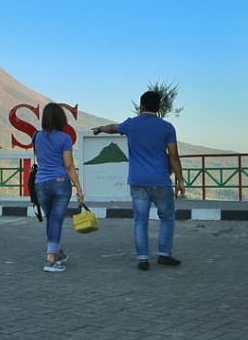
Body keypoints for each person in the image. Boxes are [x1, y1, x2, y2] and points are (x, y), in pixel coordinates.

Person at [93, 90, 185, 271]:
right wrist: (180, 180)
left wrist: (99, 129)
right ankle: (164, 255)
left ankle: (142, 258)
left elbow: (112, 128)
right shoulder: (167, 127)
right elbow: (173, 156)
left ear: (141, 106)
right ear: (159, 108)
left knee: (140, 220)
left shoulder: (131, 124)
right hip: (160, 181)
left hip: (137, 181)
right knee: (166, 218)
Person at [33, 103, 85, 273]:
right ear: (61, 118)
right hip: (60, 183)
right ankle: (50, 260)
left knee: (51, 219)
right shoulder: (64, 138)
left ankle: (57, 251)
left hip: (41, 183)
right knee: (56, 220)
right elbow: (69, 165)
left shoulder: (36, 136)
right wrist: (78, 187)